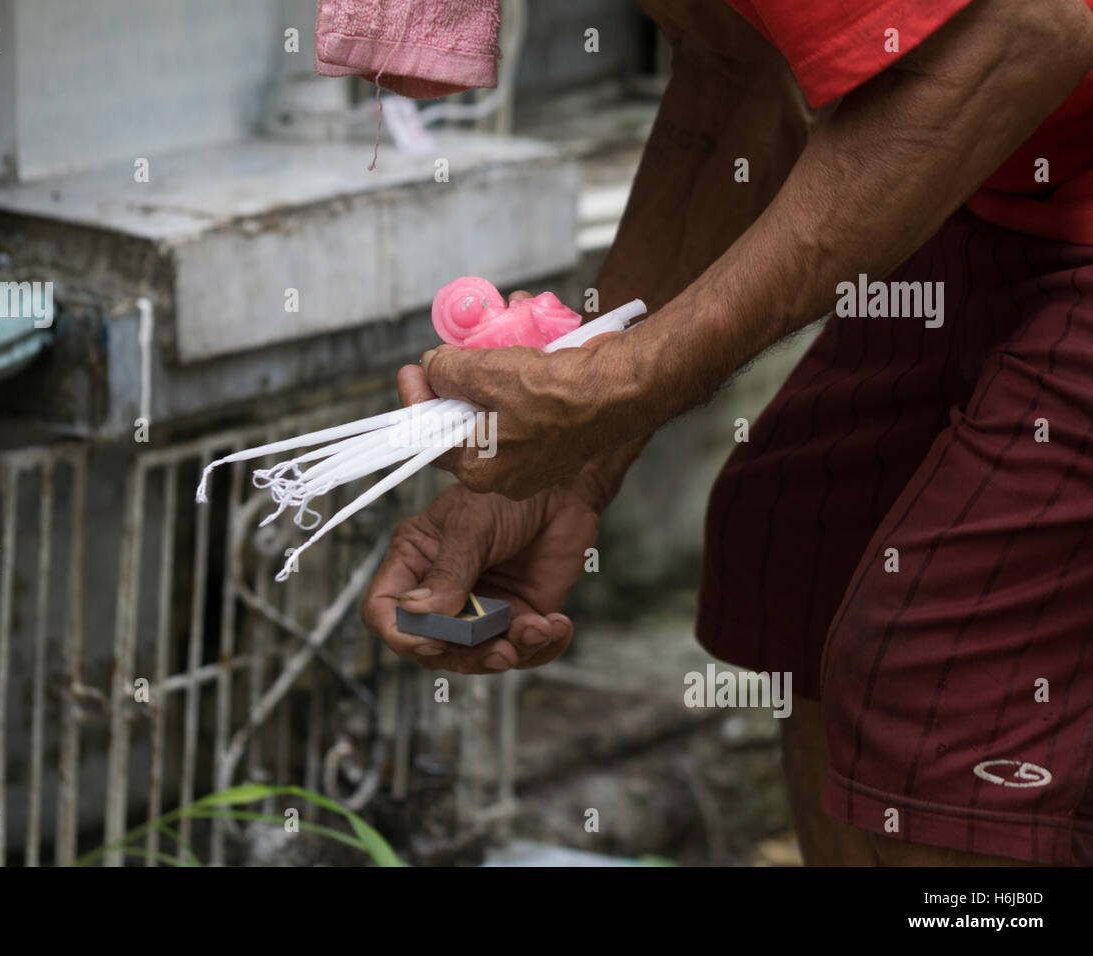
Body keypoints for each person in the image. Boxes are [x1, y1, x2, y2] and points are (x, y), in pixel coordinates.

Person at [360, 0, 1093, 865]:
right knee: (798, 551)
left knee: (934, 673)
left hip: (1020, 129)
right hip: (1010, 182)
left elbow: (1034, 27)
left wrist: (627, 381)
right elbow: (738, 76)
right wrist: (571, 464)